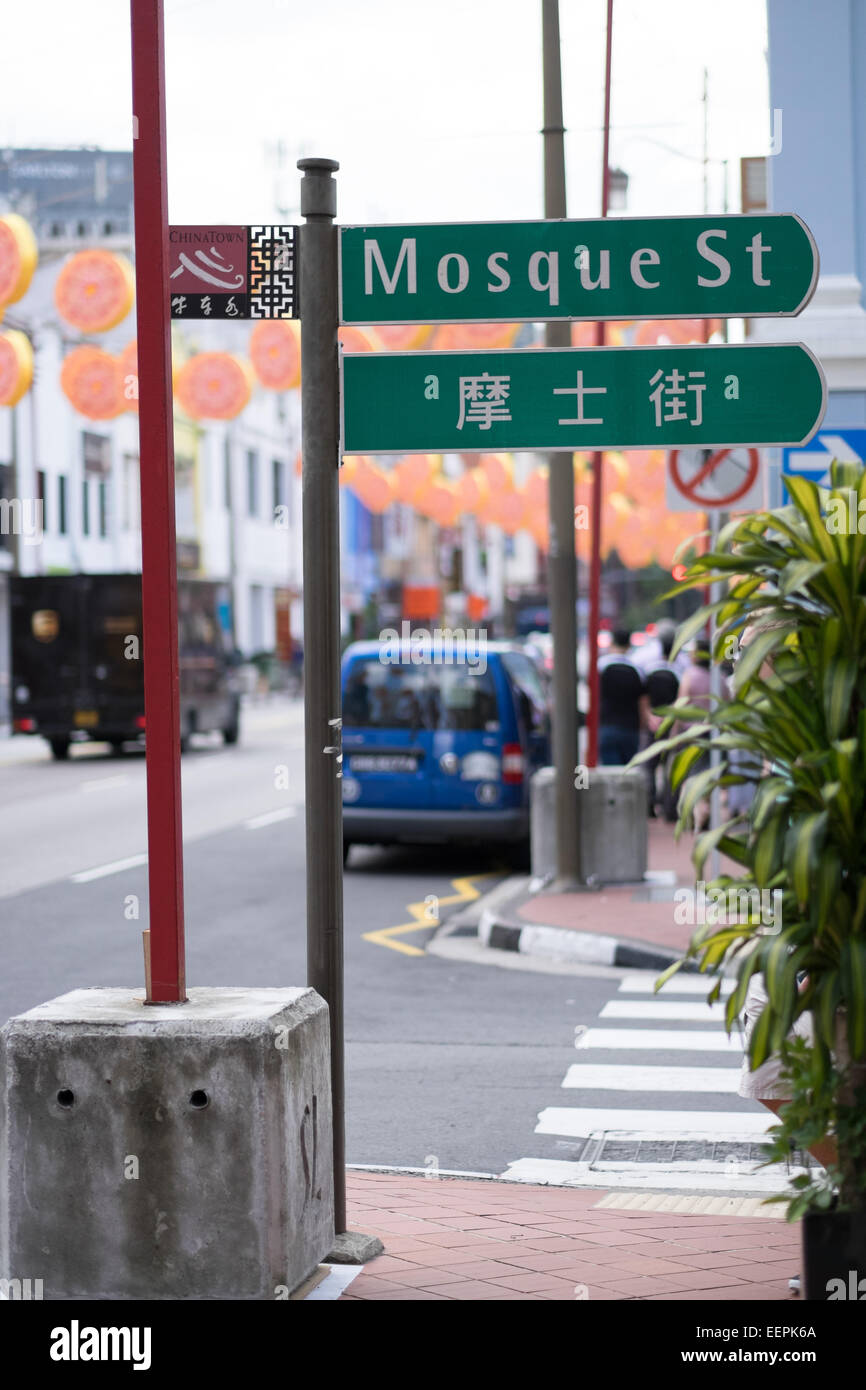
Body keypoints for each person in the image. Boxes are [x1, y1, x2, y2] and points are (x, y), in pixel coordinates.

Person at [643, 627, 681, 817]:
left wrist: (650, 716)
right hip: (670, 723)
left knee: (649, 765)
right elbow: (681, 700)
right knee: (669, 767)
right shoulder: (679, 671)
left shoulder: (650, 670)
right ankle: (669, 809)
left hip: (653, 723)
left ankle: (648, 805)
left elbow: (644, 697)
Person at [599, 627, 648, 765]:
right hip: (630, 729)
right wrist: (643, 726)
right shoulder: (637, 670)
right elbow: (642, 701)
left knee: (610, 773)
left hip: (606, 726)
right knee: (628, 773)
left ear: (612, 643)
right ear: (628, 645)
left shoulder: (601, 666)